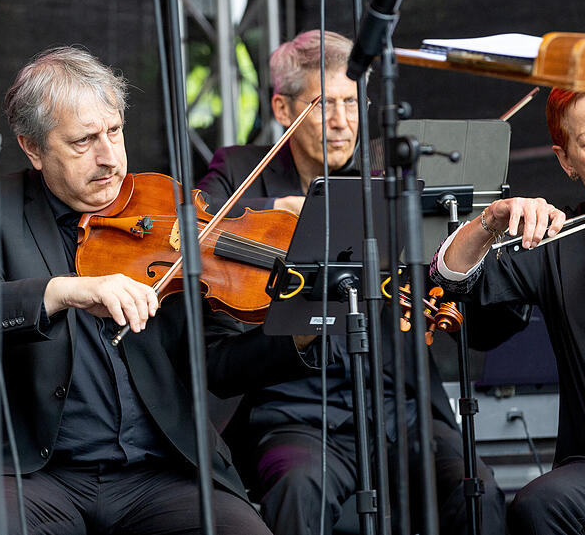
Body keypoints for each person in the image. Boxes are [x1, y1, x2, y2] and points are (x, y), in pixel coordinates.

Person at [0, 45, 324, 535]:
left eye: (115, 132)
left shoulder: (164, 208)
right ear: (33, 148)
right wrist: (63, 291)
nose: (109, 158)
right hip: (34, 473)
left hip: (159, 472)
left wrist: (303, 328)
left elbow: (219, 364)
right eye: (83, 141)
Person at [197, 30, 506, 535]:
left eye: (352, 103)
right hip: (293, 411)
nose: (343, 123)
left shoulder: (387, 174)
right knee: (298, 486)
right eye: (324, 105)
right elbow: (197, 224)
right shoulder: (240, 172)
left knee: (475, 486)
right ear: (281, 107)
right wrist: (276, 209)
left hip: (395, 406)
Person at [430, 88, 585, 535]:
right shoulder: (557, 240)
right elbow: (450, 277)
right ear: (566, 160)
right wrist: (491, 220)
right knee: (538, 506)